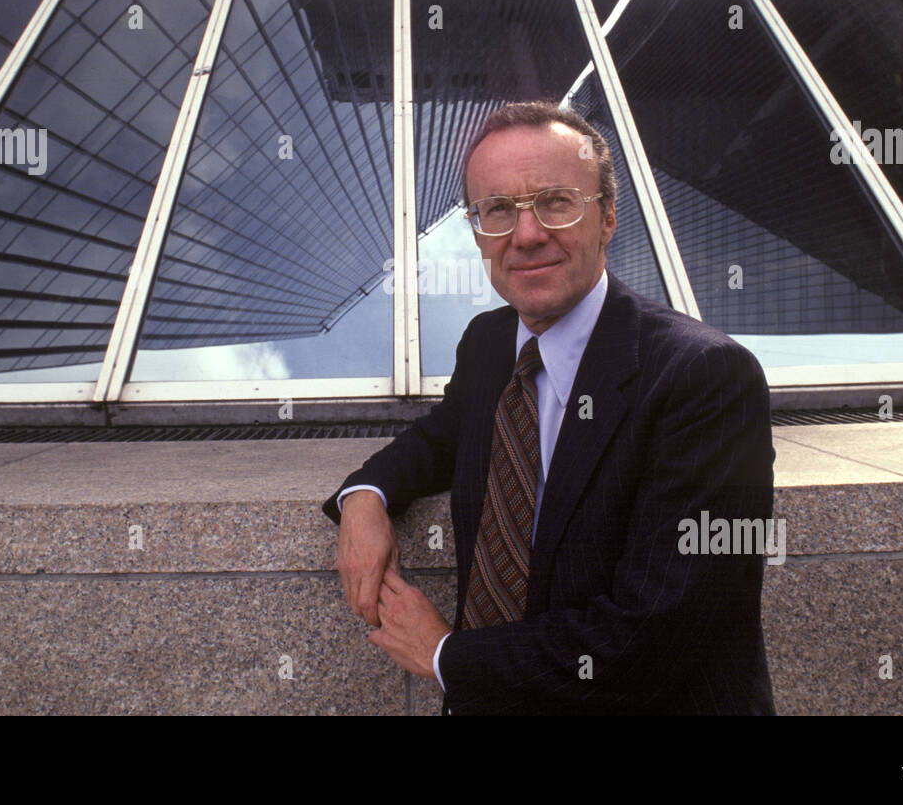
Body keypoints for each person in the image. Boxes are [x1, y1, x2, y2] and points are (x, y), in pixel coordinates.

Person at [322, 101, 776, 714]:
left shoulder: (704, 378)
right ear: (477, 229)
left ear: (608, 218)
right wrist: (365, 498)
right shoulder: (488, 344)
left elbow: (659, 630)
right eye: (498, 211)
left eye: (556, 202)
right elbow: (438, 440)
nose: (527, 235)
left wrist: (444, 657)